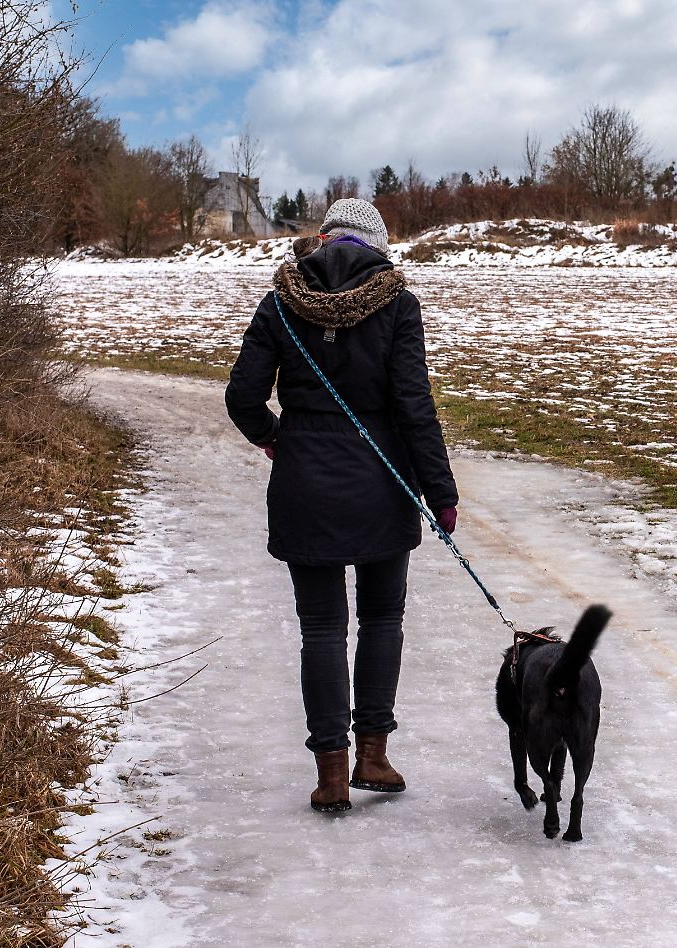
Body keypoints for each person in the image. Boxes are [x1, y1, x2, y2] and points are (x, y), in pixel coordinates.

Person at [225, 198, 459, 814]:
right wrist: (441, 493)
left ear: (324, 237)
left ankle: (330, 773)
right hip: (383, 479)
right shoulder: (399, 305)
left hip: (305, 479)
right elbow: (414, 409)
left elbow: (244, 397)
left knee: (321, 628)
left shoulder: (281, 300)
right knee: (383, 619)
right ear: (378, 246)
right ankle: (373, 756)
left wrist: (277, 436)